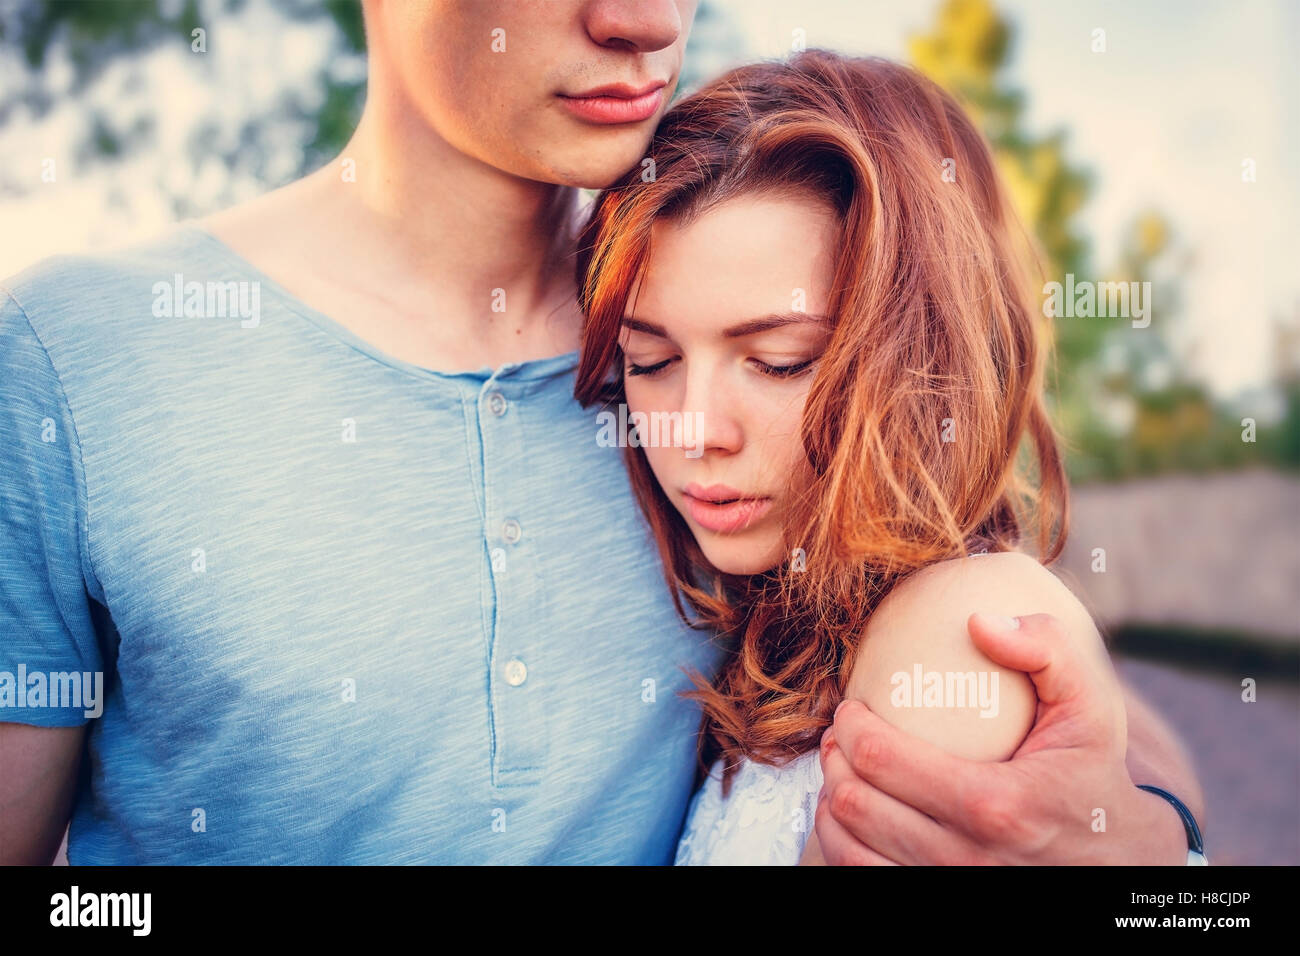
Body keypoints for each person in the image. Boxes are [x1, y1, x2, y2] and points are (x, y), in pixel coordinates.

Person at [0, 1, 1198, 865]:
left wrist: (1150, 848)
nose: (641, 19)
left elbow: (1060, 717)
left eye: (777, 360)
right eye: (644, 365)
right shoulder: (82, 350)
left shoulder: (748, 276)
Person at [574, 49, 1206, 864]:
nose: (692, 431)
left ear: (923, 355)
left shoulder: (958, 630)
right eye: (650, 361)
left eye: (780, 360)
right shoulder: (783, 603)